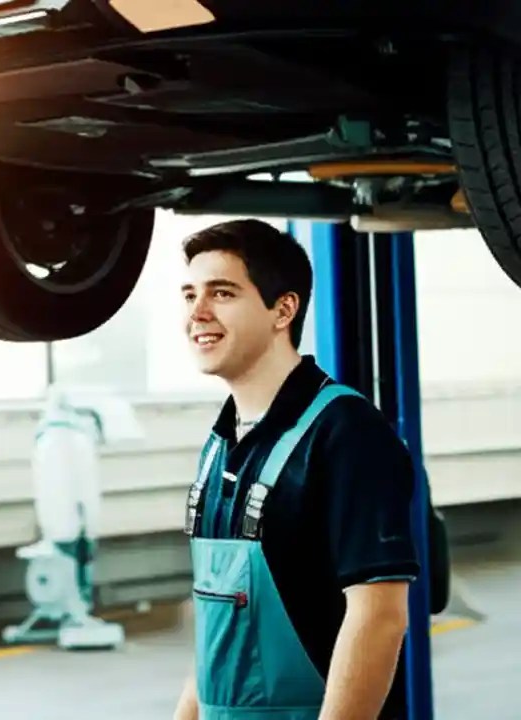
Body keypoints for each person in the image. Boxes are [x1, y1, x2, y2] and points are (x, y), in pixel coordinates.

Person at [172, 219, 420, 720]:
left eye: (222, 293)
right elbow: (218, 629)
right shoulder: (220, 444)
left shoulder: (346, 433)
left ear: (283, 309)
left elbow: (379, 617)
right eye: (189, 294)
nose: (197, 312)